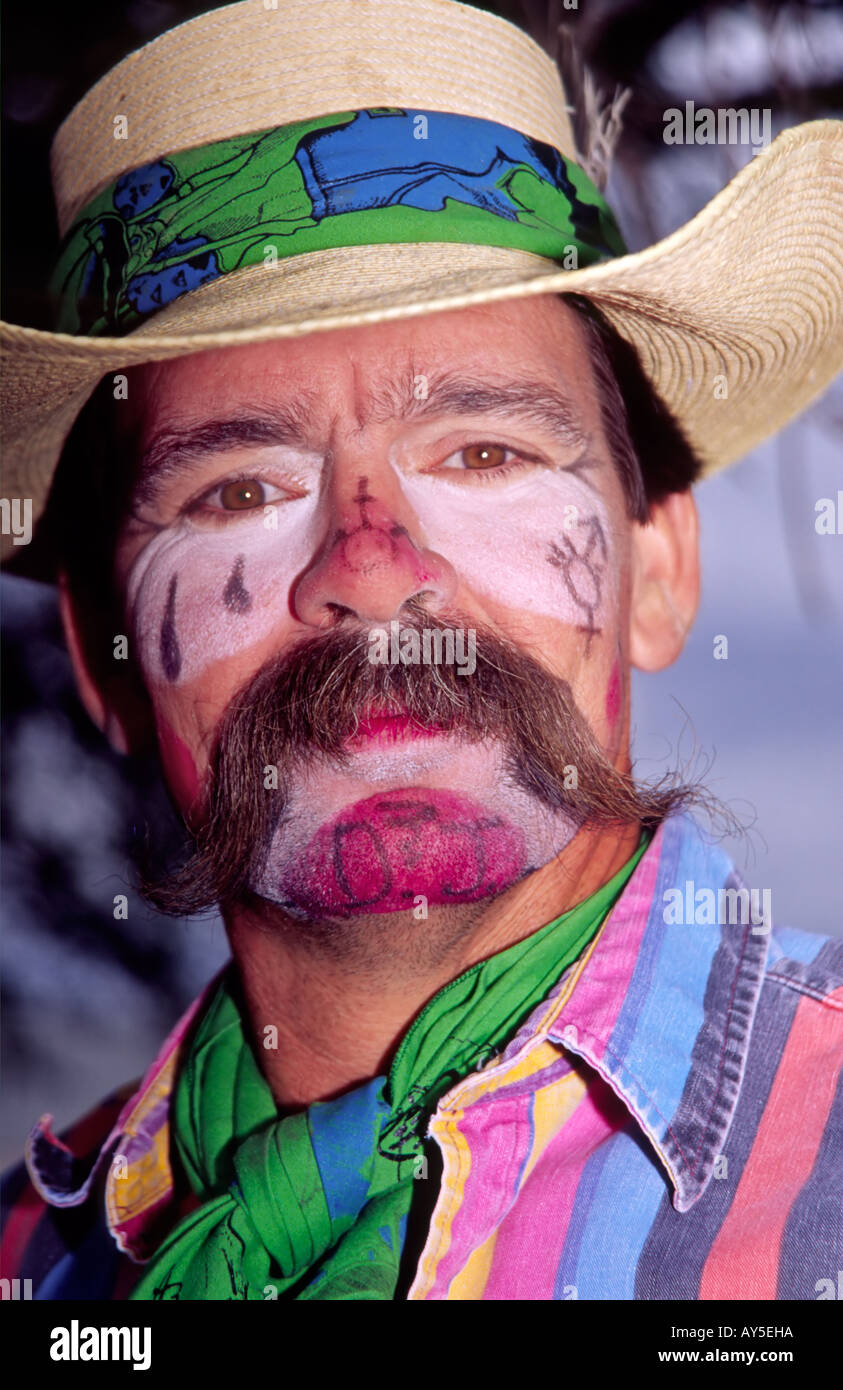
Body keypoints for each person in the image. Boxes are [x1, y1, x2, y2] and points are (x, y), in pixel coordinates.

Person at [1, 0, 841, 1302]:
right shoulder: (31, 1261)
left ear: (662, 568)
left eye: (484, 452)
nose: (373, 564)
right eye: (238, 488)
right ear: (105, 655)